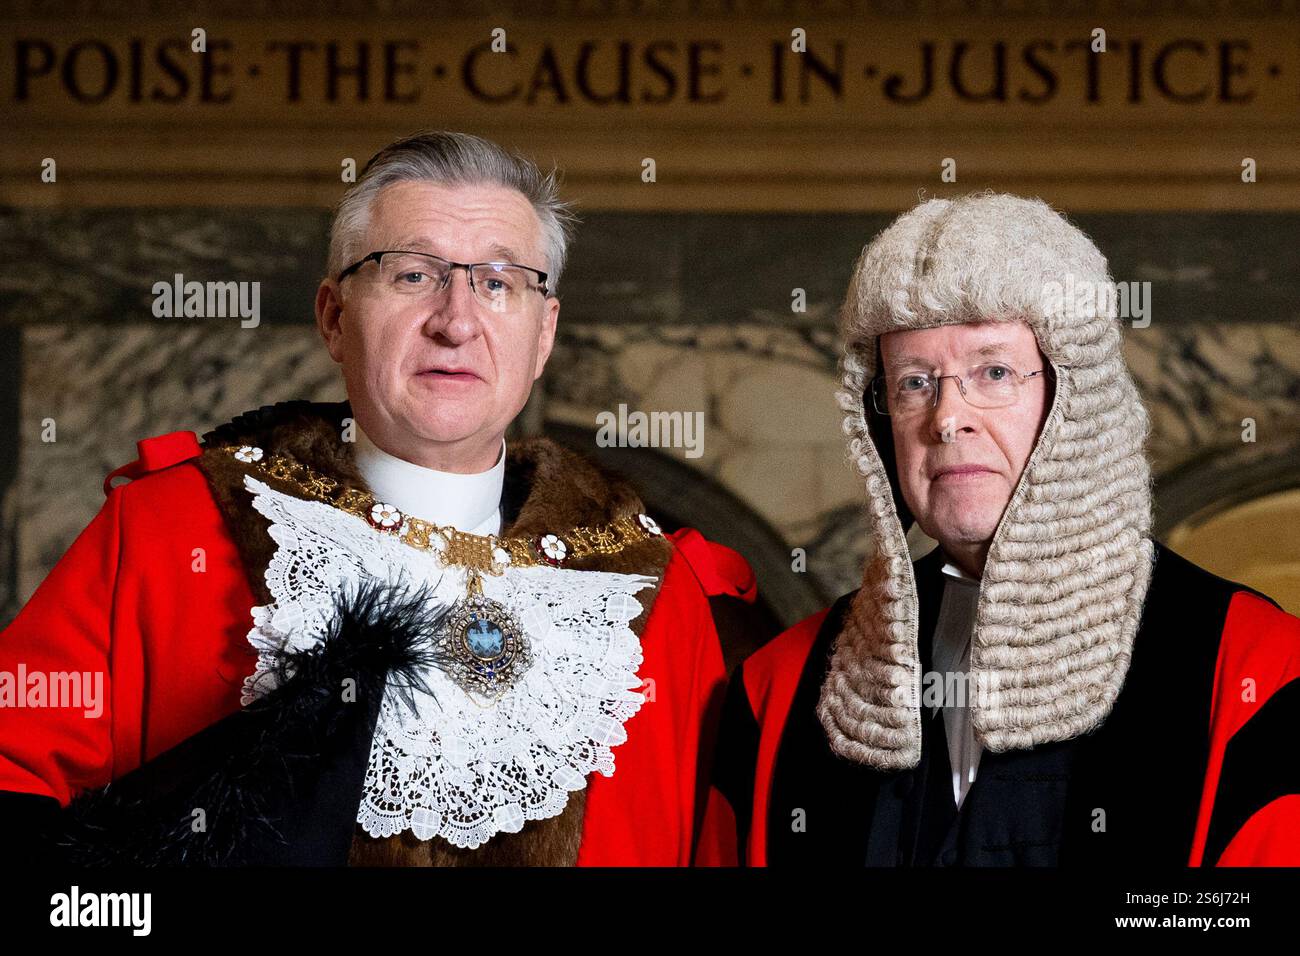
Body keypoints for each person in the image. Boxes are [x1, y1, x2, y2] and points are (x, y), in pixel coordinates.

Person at [0, 130, 760, 866]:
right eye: (413, 275)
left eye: (498, 283)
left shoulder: (655, 593)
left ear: (543, 336)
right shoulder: (169, 531)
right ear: (335, 317)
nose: (456, 322)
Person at [700, 192, 1300, 866]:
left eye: (994, 372)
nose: (947, 417)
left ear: (1078, 402)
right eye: (914, 383)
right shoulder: (778, 691)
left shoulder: (1253, 668)